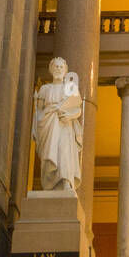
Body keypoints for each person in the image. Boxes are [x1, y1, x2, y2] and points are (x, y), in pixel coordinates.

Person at [33, 56, 83, 192]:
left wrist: (69, 116)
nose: (58, 69)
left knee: (64, 152)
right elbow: (39, 111)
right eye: (56, 66)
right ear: (51, 69)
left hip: (64, 125)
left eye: (61, 67)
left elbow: (77, 109)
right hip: (48, 125)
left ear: (65, 70)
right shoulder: (45, 89)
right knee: (49, 153)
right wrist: (39, 125)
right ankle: (48, 183)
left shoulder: (70, 87)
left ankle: (66, 181)